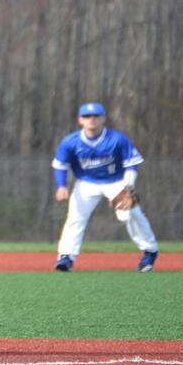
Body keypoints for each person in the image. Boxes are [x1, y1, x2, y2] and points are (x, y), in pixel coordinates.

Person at [51, 102, 160, 273]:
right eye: (87, 116)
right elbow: (60, 165)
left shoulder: (117, 139)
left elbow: (131, 165)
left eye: (96, 116)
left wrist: (128, 187)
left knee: (131, 214)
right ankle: (66, 257)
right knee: (75, 218)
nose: (92, 120)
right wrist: (61, 186)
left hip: (116, 182)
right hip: (86, 183)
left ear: (103, 118)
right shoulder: (70, 142)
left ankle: (150, 251)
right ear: (80, 120)